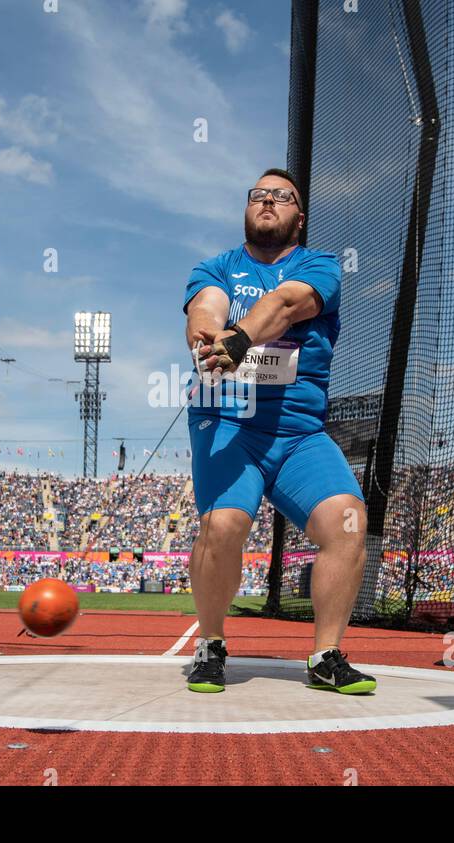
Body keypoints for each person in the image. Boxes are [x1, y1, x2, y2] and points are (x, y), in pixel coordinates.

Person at [182, 168, 375, 695]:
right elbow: (206, 307)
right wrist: (205, 335)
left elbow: (287, 305)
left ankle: (326, 655)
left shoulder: (320, 265)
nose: (268, 202)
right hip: (226, 422)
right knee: (222, 527)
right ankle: (212, 645)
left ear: (299, 216)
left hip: (297, 433)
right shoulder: (217, 266)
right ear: (246, 209)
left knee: (349, 522)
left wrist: (239, 340)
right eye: (258, 195)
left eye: (282, 197)